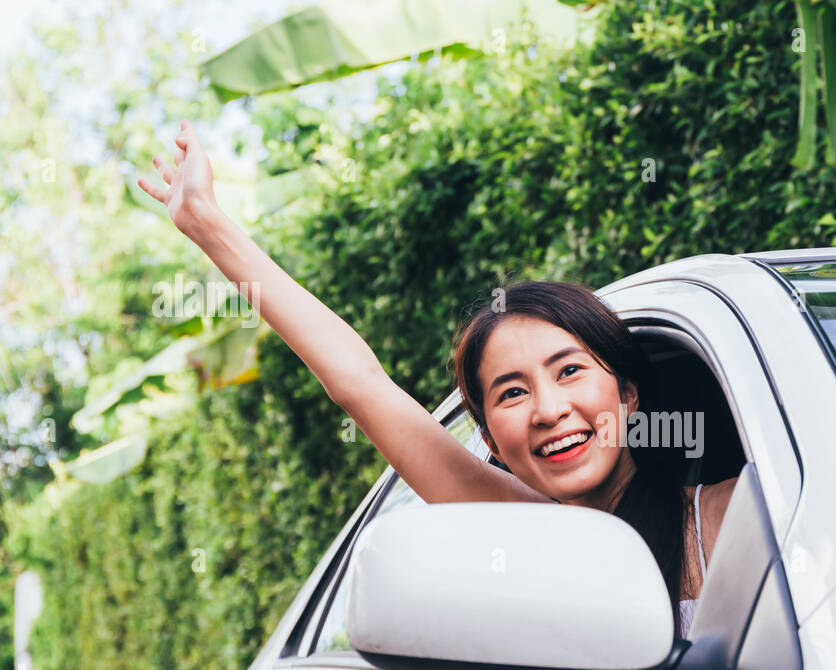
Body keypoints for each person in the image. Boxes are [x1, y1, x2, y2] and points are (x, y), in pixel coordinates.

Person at [138, 121, 735, 643]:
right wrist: (208, 225)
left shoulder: (730, 520)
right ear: (492, 444)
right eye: (512, 392)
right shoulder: (520, 529)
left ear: (626, 396)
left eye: (570, 370)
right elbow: (361, 386)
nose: (549, 410)